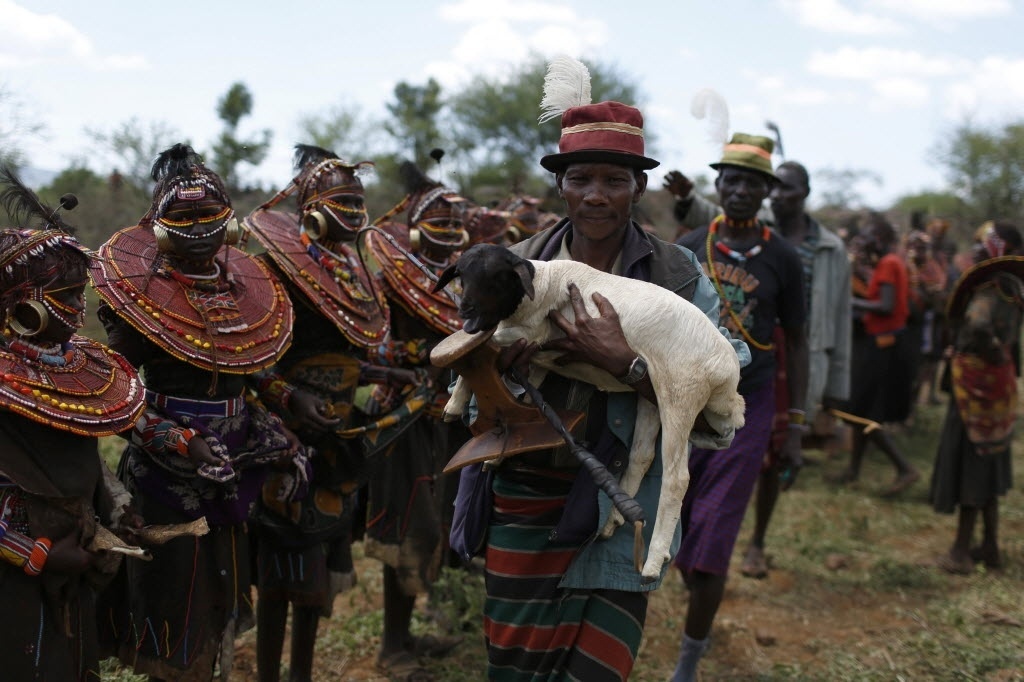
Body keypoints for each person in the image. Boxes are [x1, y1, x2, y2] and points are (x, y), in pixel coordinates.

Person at [450, 63, 748, 677]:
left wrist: (630, 365)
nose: (595, 194)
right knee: (515, 664)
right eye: (580, 178)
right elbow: (464, 372)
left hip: (622, 498)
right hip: (524, 492)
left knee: (600, 668)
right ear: (561, 185)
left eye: (614, 180)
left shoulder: (679, 276)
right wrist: (498, 372)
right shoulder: (514, 266)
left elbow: (724, 387)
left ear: (639, 188)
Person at [91, 144, 313, 681]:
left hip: (234, 464)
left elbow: (249, 364)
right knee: (175, 599)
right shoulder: (142, 297)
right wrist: (174, 439)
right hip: (168, 476)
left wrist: (286, 397)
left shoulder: (241, 287)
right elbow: (115, 393)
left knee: (222, 591)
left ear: (229, 223)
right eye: (182, 220)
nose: (198, 230)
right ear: (159, 228)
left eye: (208, 217)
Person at [245, 144, 425, 682]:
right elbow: (245, 360)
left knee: (314, 576)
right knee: (281, 573)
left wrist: (383, 375)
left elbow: (346, 358)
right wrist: (289, 399)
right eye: (340, 202)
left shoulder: (354, 272)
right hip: (286, 444)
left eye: (358, 202)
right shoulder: (269, 271)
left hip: (338, 441)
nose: (352, 213)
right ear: (312, 209)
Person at [0, 172, 146, 682]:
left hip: (75, 554)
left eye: (77, 292)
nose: (75, 309)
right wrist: (34, 553)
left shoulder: (74, 369)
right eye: (61, 294)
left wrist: (112, 509)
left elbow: (85, 459)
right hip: (16, 574)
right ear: (22, 304)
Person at [672, 134, 808, 681]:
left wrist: (794, 424)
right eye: (732, 180)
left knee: (714, 537)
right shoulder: (687, 246)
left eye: (754, 182)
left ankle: (688, 661)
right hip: (689, 402)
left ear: (767, 192)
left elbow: (795, 342)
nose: (741, 190)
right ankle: (698, 594)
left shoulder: (784, 259)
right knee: (680, 529)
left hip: (746, 410)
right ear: (719, 185)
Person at [364, 161, 470, 681]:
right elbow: (370, 346)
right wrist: (420, 358)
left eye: (456, 226)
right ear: (414, 228)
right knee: (407, 528)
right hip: (400, 422)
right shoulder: (386, 280)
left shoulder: (463, 281)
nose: (448, 235)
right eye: (438, 224)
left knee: (436, 526)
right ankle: (391, 646)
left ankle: (407, 634)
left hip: (444, 421)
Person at [738, 161, 851, 579]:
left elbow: (837, 318)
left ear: (805, 192)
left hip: (796, 354)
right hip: (750, 347)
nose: (778, 195)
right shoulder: (751, 227)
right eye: (775, 188)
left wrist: (837, 384)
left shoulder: (830, 248)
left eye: (787, 188)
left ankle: (757, 542)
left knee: (777, 448)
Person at [930, 221, 1023, 574]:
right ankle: (991, 545)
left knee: (972, 457)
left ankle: (960, 551)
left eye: (985, 244)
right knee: (992, 453)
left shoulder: (988, 292)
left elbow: (979, 325)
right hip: (998, 386)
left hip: (975, 385)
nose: (979, 249)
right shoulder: (1013, 289)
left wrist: (991, 349)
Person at [828, 214, 920, 495]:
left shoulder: (890, 263)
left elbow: (886, 305)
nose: (863, 242)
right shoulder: (886, 263)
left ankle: (904, 468)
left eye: (868, 237)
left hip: (884, 347)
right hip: (881, 343)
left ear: (878, 240)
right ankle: (853, 470)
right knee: (862, 408)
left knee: (863, 411)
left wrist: (849, 301)